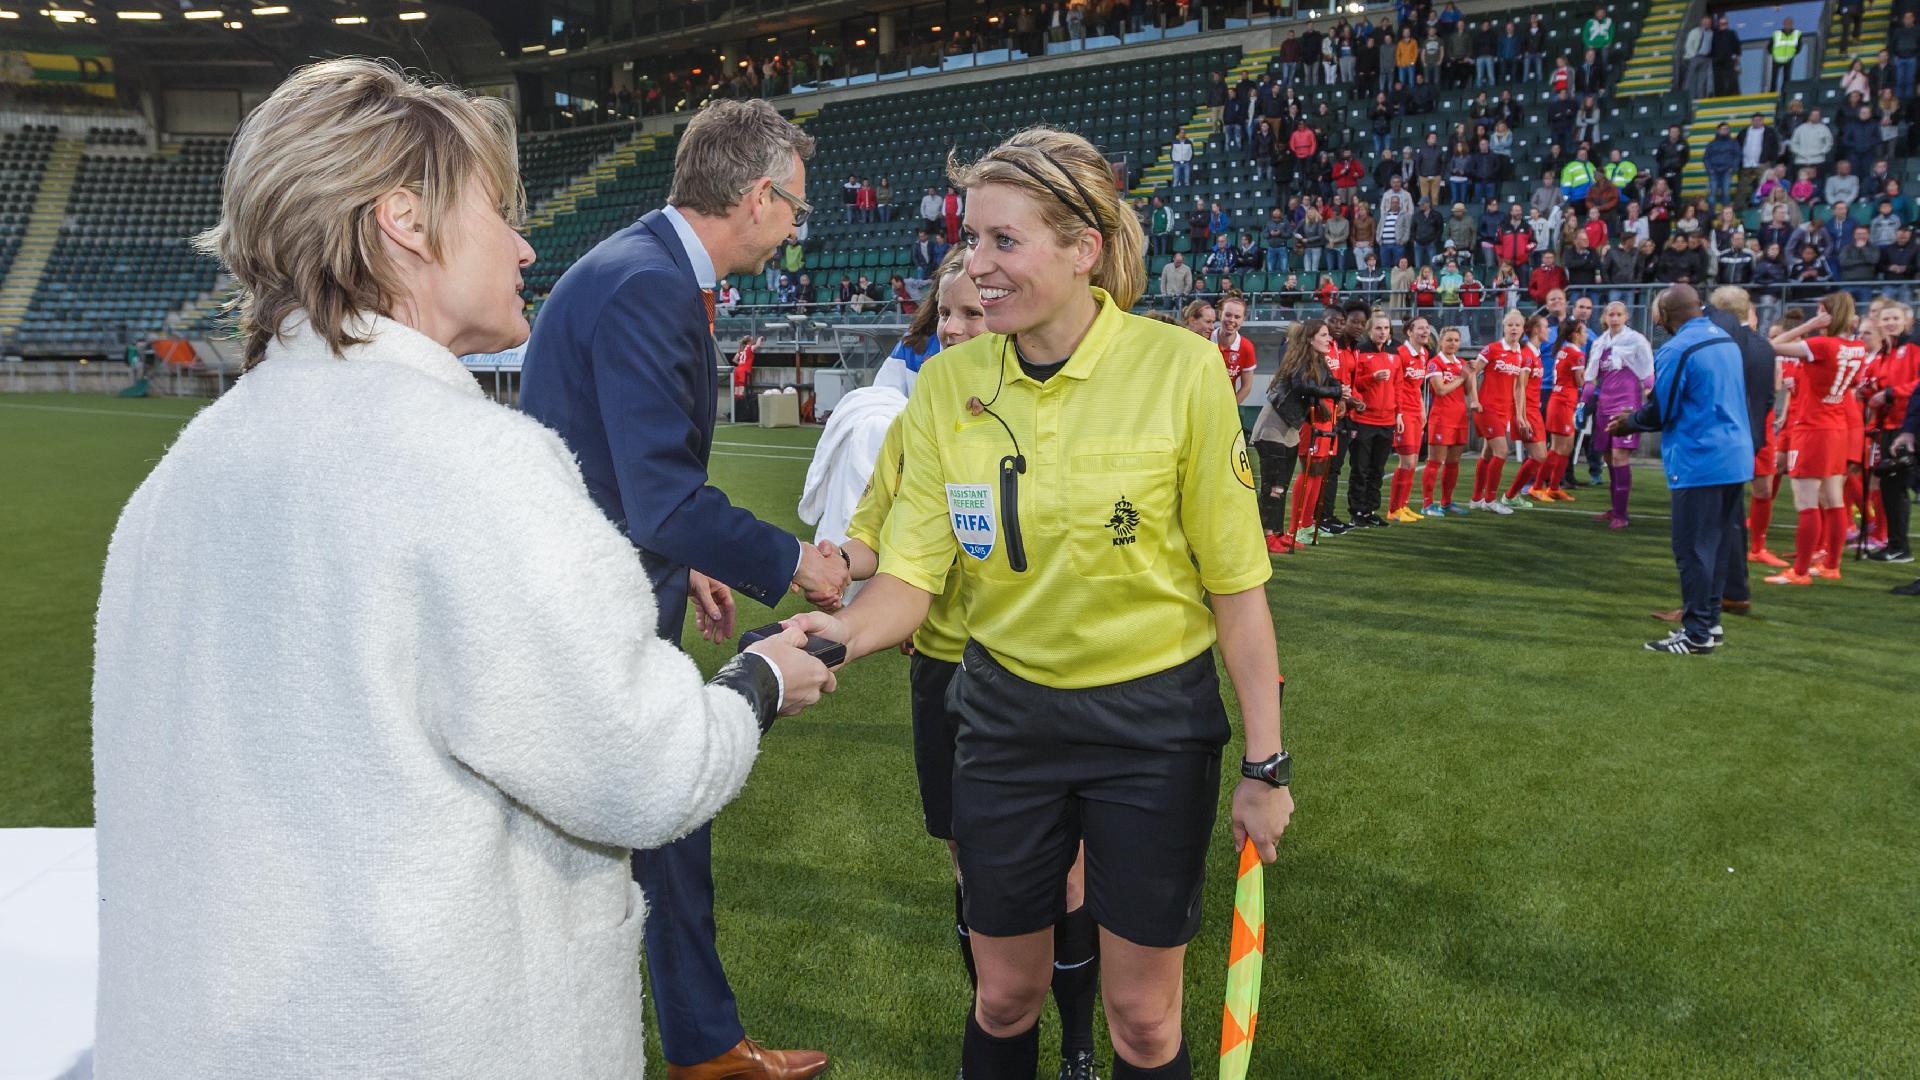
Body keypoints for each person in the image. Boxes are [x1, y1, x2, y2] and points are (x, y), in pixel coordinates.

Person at [95, 58, 835, 1080]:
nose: (527, 243)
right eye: (499, 208)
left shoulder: (177, 480)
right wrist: (760, 679)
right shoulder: (472, 467)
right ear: (406, 220)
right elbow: (646, 774)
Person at [787, 126, 1293, 1080]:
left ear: (1083, 250)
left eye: (1002, 242)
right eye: (970, 240)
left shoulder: (1180, 372)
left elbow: (1238, 592)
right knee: (1005, 994)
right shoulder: (948, 386)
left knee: (1143, 1020)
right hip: (1006, 721)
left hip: (1152, 728)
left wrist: (1266, 764)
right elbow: (911, 578)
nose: (975, 268)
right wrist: (838, 636)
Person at [520, 97, 849, 1080]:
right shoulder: (648, 285)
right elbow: (660, 498)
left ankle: (704, 1043)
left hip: (615, 583)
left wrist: (695, 559)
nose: (797, 229)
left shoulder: (641, 268)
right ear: (756, 197)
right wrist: (795, 561)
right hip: (594, 614)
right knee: (631, 834)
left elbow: (624, 470)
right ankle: (668, 1047)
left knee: (671, 830)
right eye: (794, 208)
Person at [1607, 285, 1754, 654]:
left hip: (1700, 458)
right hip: (1735, 455)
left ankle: (1696, 633)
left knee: (1691, 549)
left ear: (1665, 315)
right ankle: (1710, 622)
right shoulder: (1725, 338)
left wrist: (1629, 422)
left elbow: (1661, 410)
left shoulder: (1676, 348)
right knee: (1717, 546)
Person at [1765, 295, 1871, 584]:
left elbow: (1771, 346)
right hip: (1837, 427)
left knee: (1807, 501)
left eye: (1819, 312)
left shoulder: (1821, 345)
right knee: (1834, 499)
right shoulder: (1857, 347)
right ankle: (1831, 565)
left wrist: (1808, 325)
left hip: (1812, 428)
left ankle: (1799, 572)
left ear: (1826, 315)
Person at [1581, 301, 1655, 529]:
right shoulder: (1599, 343)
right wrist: (1582, 403)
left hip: (1626, 404)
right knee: (1608, 457)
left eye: (1618, 314)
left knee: (1620, 455)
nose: (1614, 318)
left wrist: (1651, 401)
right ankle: (1615, 507)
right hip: (1604, 404)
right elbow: (1591, 377)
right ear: (1605, 317)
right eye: (1611, 314)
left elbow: (1648, 374)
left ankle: (1621, 515)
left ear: (1626, 317)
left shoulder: (1636, 340)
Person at [1346, 310, 1400, 527]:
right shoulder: (1359, 351)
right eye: (1378, 328)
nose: (1382, 332)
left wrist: (1399, 414)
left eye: (1386, 328)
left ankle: (1369, 511)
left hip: (1387, 421)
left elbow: (1399, 386)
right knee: (1360, 468)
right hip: (1364, 420)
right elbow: (1353, 383)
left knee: (1377, 470)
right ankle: (1356, 512)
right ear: (1369, 330)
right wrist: (1372, 378)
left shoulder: (1395, 353)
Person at [1470, 309, 1527, 514]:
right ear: (1503, 327)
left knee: (1487, 452)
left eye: (1517, 325)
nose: (1513, 328)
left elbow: (1519, 387)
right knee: (1502, 451)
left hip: (1504, 410)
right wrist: (1475, 401)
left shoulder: (1521, 354)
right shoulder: (1492, 349)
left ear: (1522, 329)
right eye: (1509, 325)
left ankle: (1476, 498)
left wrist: (1519, 415)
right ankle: (1490, 500)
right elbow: (1471, 372)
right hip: (1487, 407)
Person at [1501, 313, 1552, 508]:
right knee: (1539, 456)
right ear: (1537, 330)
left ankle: (1510, 494)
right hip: (1526, 409)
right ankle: (1507, 495)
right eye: (1545, 327)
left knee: (1539, 456)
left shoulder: (1535, 354)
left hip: (1532, 409)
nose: (1548, 331)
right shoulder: (1527, 355)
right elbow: (1519, 386)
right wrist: (1521, 416)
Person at [1538, 317, 1589, 503]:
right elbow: (1579, 381)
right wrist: (1594, 381)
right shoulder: (1577, 354)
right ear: (1576, 334)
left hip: (1561, 401)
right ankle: (1538, 486)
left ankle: (1553, 486)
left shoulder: (1565, 350)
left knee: (1565, 448)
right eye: (1584, 332)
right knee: (1559, 448)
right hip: (1564, 403)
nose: (1586, 335)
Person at [1387, 315, 1433, 522]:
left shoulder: (1424, 353)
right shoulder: (1400, 353)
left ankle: (1403, 506)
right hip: (1403, 412)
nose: (1425, 331)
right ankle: (1394, 509)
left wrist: (1423, 409)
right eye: (1420, 328)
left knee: (1413, 461)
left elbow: (1417, 387)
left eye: (1427, 328)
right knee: (1406, 462)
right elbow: (1395, 386)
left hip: (1416, 411)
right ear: (1409, 332)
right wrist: (1398, 413)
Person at [1215, 293, 1257, 402]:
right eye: (1228, 315)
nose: (1232, 320)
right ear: (1220, 314)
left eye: (1237, 317)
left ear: (1243, 319)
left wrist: (1230, 407)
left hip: (1224, 407)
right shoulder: (1204, 339)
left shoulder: (1246, 347)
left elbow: (1246, 387)